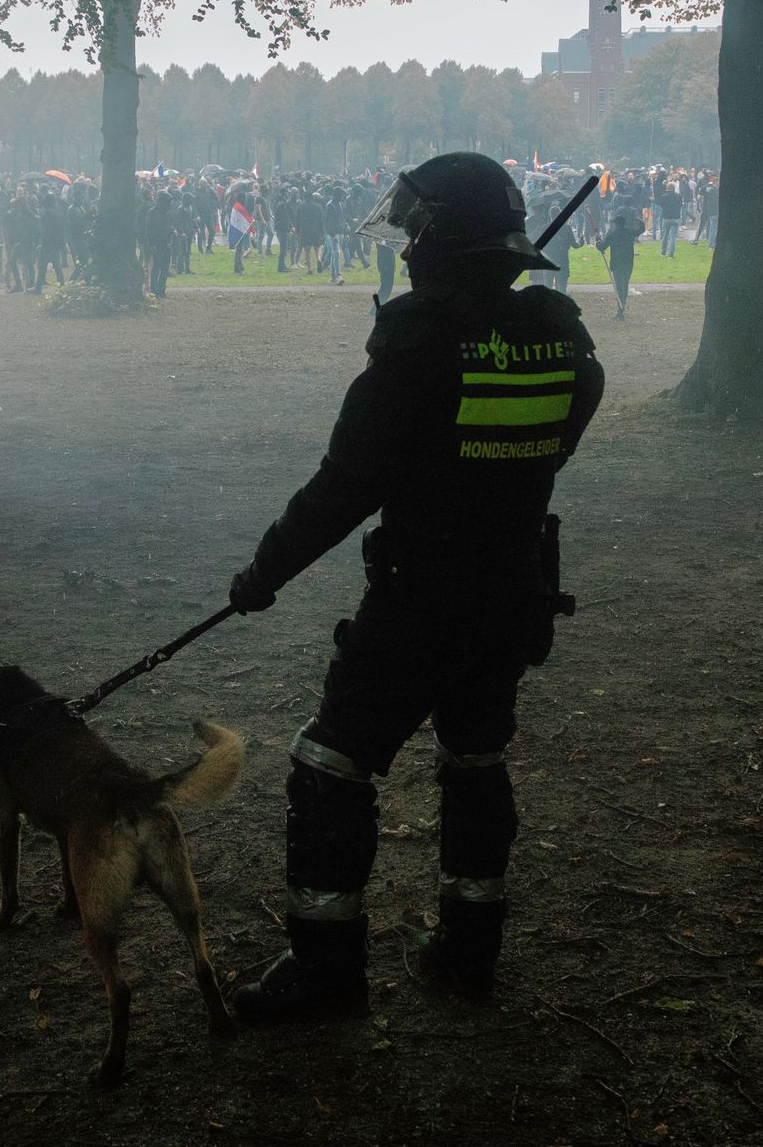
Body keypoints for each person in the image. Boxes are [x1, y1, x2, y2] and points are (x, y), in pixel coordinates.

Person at [227, 151, 605, 1024]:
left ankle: (327, 972)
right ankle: (470, 950)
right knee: (475, 758)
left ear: (439, 236)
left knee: (330, 761)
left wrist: (263, 574)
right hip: (513, 592)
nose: (403, 251)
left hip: (422, 599)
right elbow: (559, 437)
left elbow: (344, 486)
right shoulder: (562, 334)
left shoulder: (417, 341)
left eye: (412, 232)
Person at [598, 202, 645, 320]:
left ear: (616, 224)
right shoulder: (629, 233)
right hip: (628, 262)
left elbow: (602, 247)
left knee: (620, 287)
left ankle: (621, 310)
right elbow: (642, 229)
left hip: (617, 263)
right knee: (624, 285)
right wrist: (639, 219)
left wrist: (598, 241)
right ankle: (621, 308)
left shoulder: (612, 235)